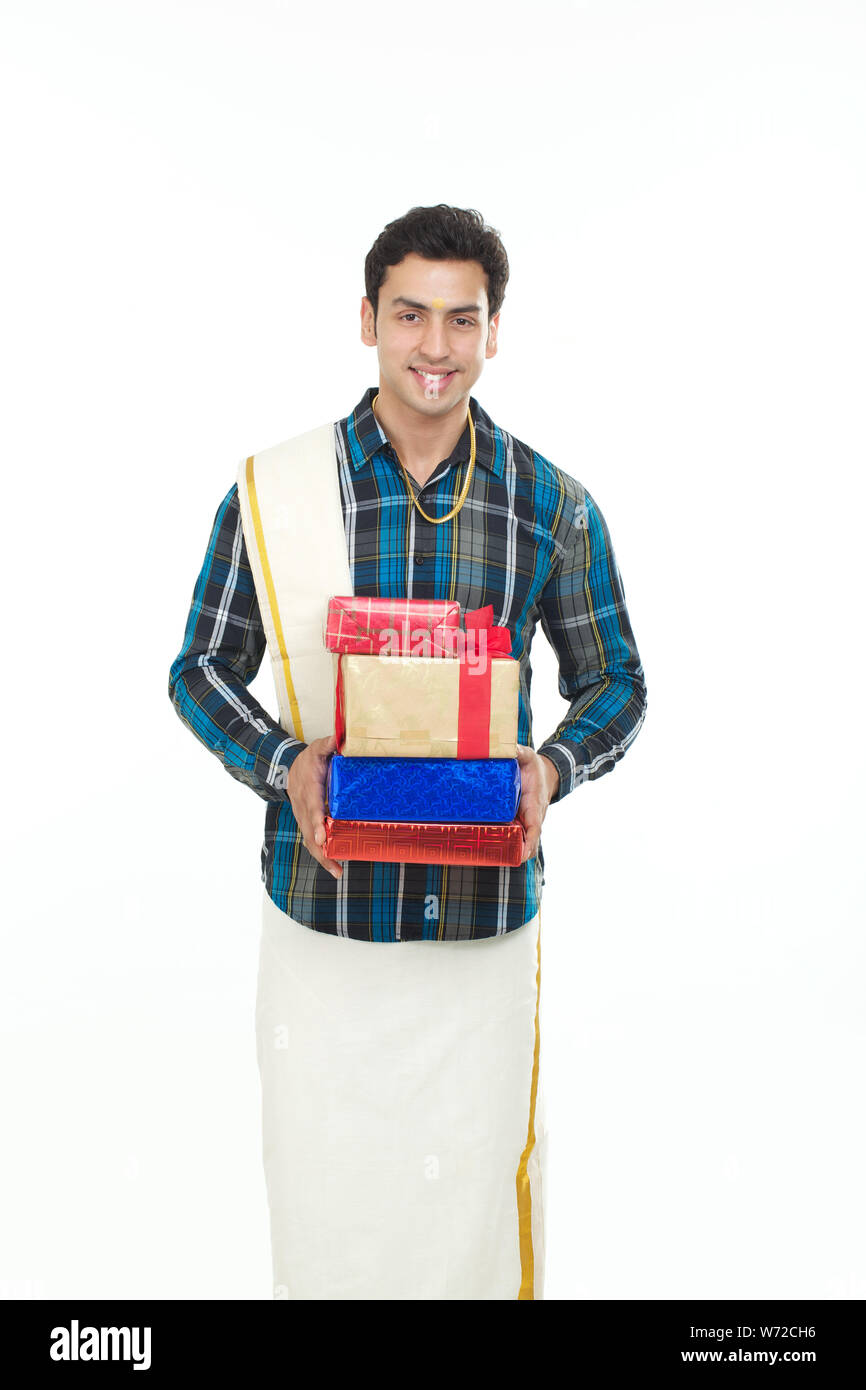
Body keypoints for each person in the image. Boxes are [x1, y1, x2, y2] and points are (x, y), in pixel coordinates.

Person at [168, 204, 647, 1300]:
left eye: (460, 319)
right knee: (326, 1207)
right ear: (368, 320)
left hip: (480, 932)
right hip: (324, 921)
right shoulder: (276, 492)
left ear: (493, 331)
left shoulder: (548, 505)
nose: (434, 346)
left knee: (471, 1217)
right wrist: (282, 763)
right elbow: (198, 667)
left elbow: (615, 682)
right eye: (410, 315)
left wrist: (549, 769)